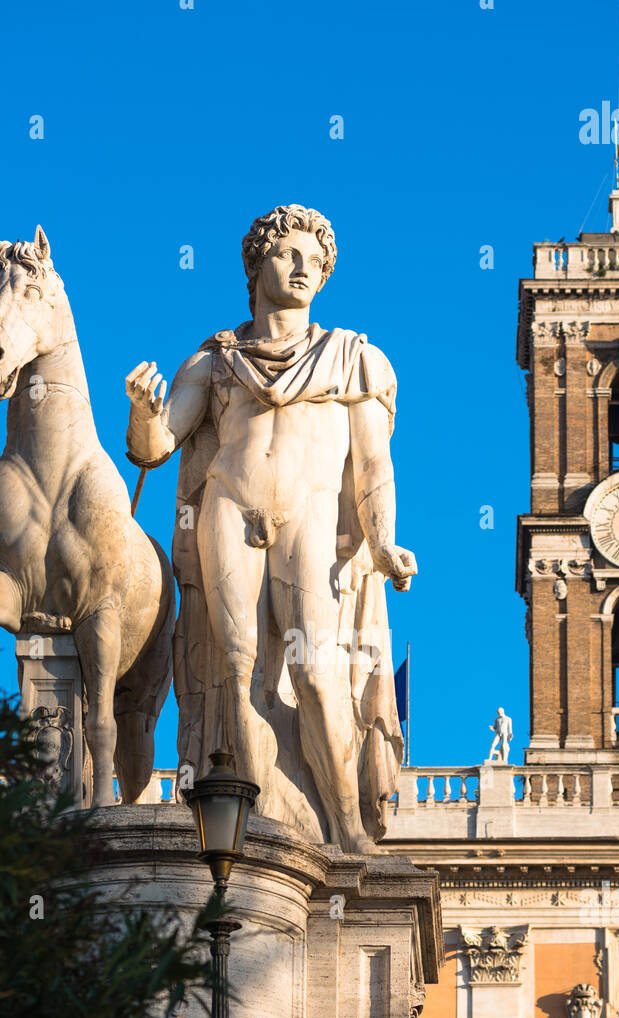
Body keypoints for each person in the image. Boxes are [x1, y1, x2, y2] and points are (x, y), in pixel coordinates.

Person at [125, 204, 417, 855]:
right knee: (237, 677)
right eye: (289, 254)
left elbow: (372, 466)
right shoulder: (216, 361)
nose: (303, 268)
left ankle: (344, 828)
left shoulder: (354, 358)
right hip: (227, 512)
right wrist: (142, 411)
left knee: (315, 672)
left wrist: (383, 540)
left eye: (315, 261)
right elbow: (154, 447)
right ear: (256, 262)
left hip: (307, 520)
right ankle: (257, 832)